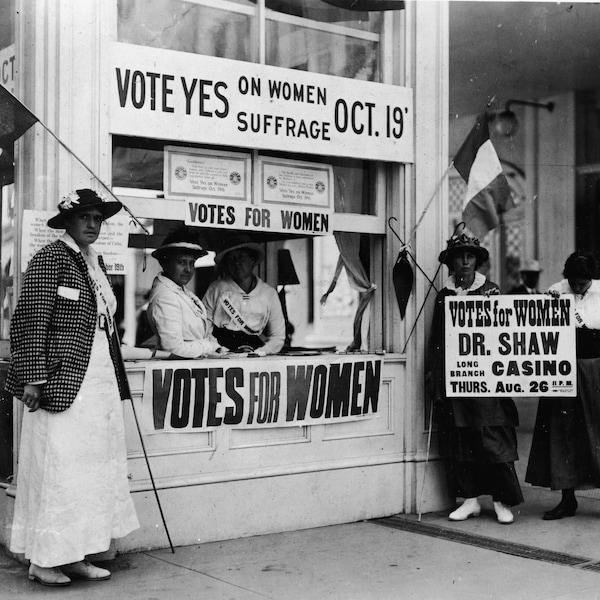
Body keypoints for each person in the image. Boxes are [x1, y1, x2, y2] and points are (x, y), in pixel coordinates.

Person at [4, 189, 139, 586]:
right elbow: (29, 319)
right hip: (63, 381)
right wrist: (32, 376)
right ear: (67, 222)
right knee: (58, 468)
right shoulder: (51, 258)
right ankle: (45, 560)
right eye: (85, 218)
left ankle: (76, 554)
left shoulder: (93, 262)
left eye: (98, 219)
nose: (93, 225)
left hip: (97, 379)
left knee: (90, 472)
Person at [426, 233, 523, 524]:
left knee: (492, 437)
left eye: (470, 256)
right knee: (460, 438)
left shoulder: (491, 291)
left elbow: (504, 336)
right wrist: (435, 374)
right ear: (452, 262)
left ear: (477, 261)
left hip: (487, 380)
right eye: (460, 256)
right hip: (456, 380)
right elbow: (437, 340)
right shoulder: (444, 296)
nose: (465, 261)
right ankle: (470, 500)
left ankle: (501, 501)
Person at [525, 250, 600, 519]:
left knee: (597, 433)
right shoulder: (556, 290)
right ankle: (568, 498)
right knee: (562, 432)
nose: (578, 287)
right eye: (573, 281)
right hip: (562, 368)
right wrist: (549, 305)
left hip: (594, 368)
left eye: (583, 282)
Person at [203, 233, 285, 355]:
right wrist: (218, 349)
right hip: (222, 352)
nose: (236, 263)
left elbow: (278, 336)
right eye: (231, 258)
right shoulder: (217, 289)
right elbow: (203, 327)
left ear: (252, 259)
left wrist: (261, 352)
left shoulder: (269, 293)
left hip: (256, 353)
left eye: (241, 257)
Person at [147, 229, 224, 359]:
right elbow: (173, 348)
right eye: (181, 262)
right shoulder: (166, 297)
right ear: (165, 263)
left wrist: (216, 347)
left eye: (192, 263)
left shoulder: (181, 291)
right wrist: (208, 347)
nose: (188, 269)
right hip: (177, 369)